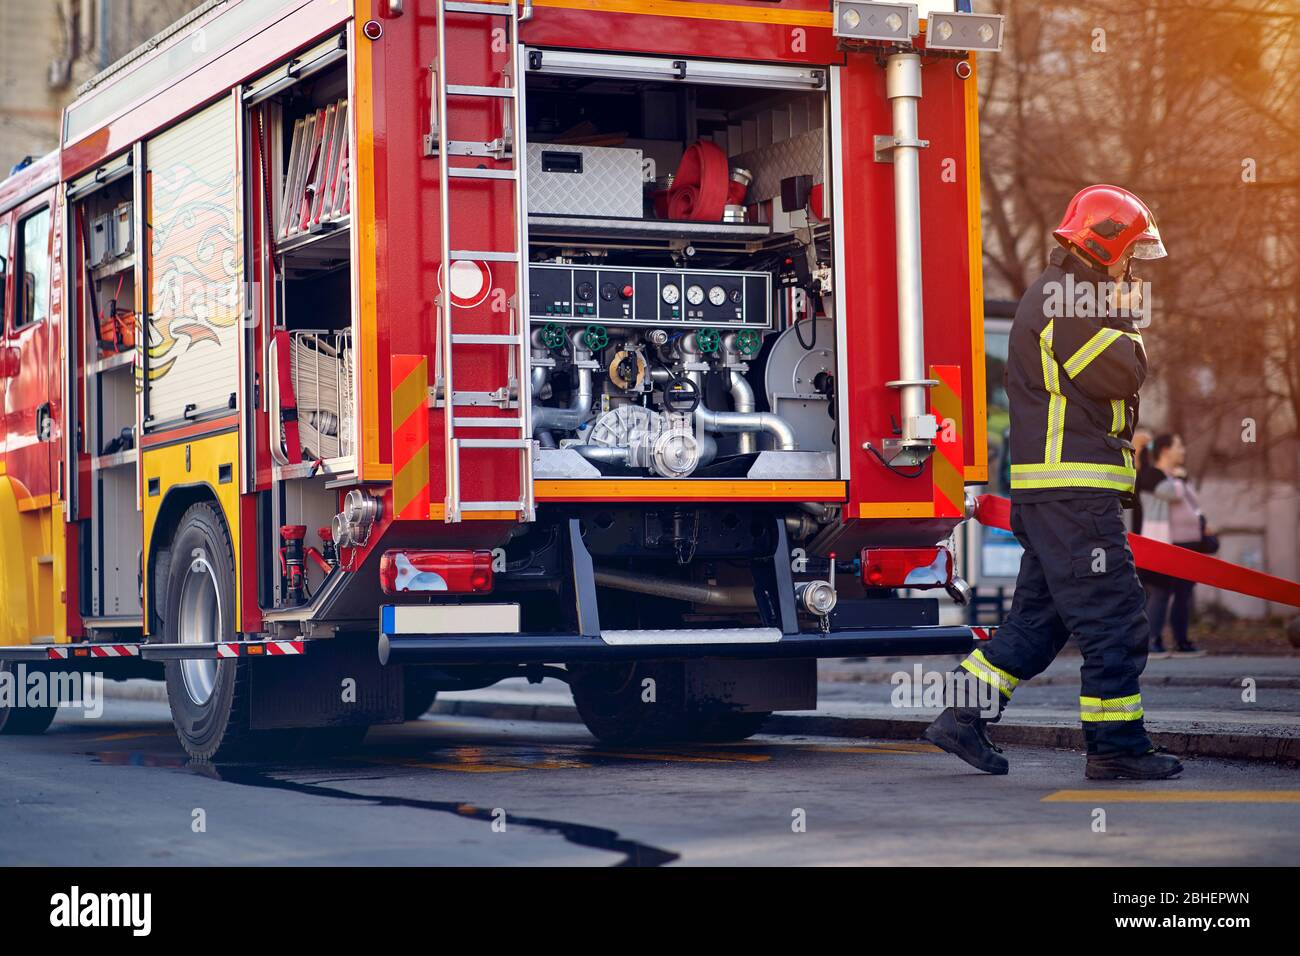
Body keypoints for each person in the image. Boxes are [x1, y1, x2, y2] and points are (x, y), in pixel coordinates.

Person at [924, 184, 1183, 780]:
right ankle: (1117, 747)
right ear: (1105, 242)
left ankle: (961, 717)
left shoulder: (1067, 293)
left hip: (1056, 498)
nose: (1133, 265)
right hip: (1073, 498)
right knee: (1116, 618)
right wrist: (1128, 315)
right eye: (1130, 252)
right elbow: (1121, 374)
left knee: (1038, 624)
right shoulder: (1073, 298)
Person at [1137, 433, 1209, 657]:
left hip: (1188, 545)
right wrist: (1179, 479)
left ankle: (1182, 642)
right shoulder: (1151, 475)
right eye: (1179, 446)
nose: (1183, 450)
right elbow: (1171, 493)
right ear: (1165, 450)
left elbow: (1194, 503)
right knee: (1160, 592)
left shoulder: (1177, 477)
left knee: (1183, 593)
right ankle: (1151, 641)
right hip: (1164, 544)